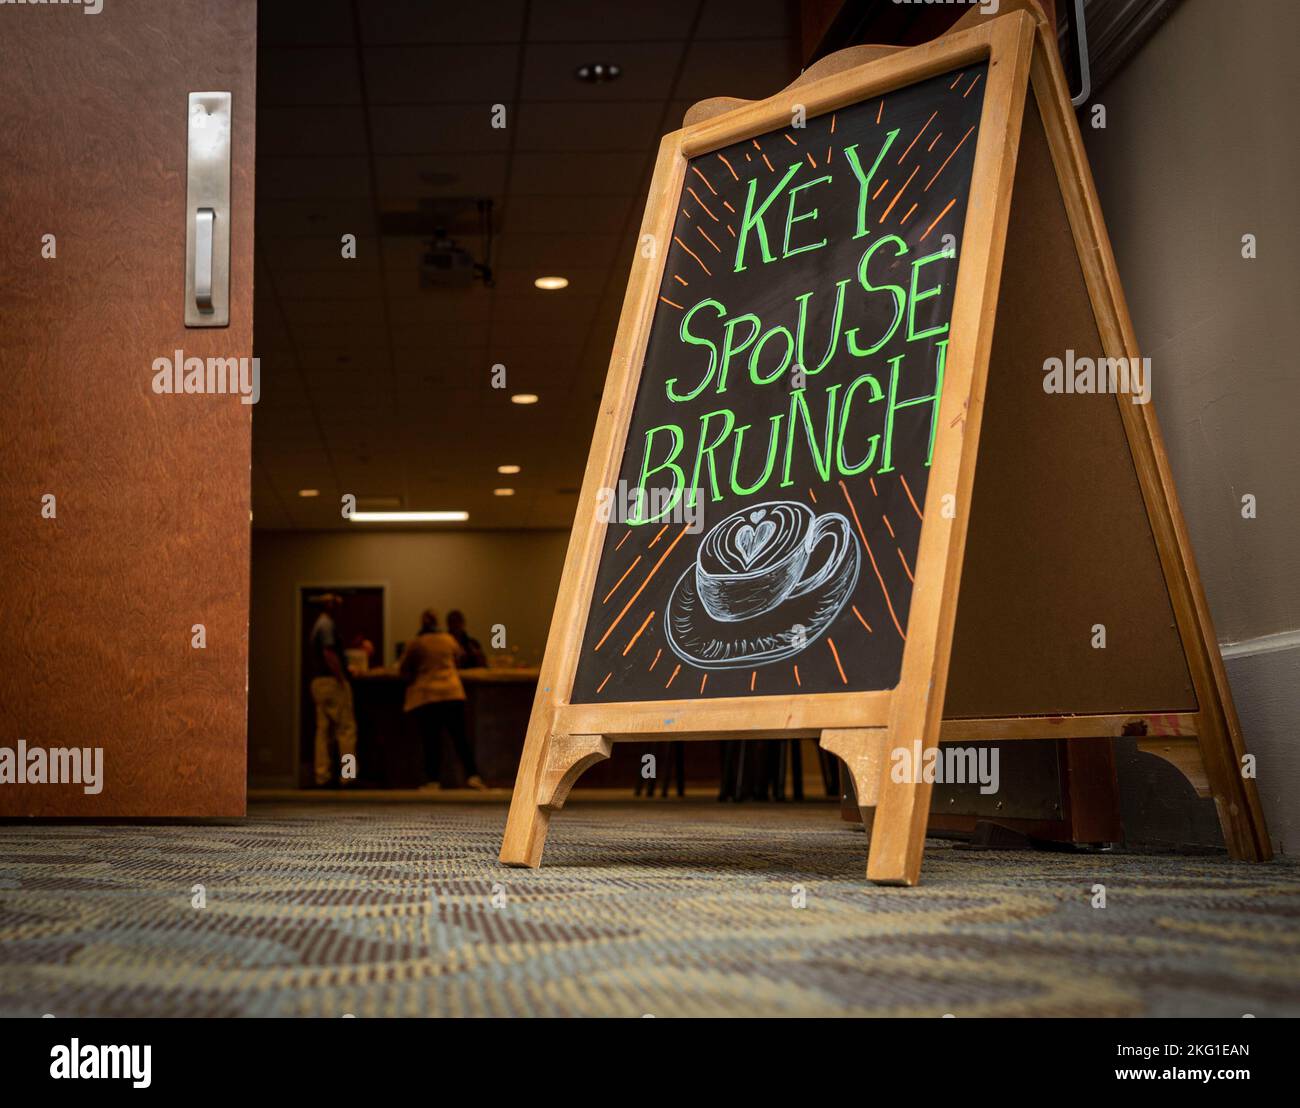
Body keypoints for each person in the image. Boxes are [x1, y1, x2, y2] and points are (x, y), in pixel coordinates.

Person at [399, 609, 486, 790]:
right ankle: (472, 775)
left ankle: (433, 780)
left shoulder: (416, 643)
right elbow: (460, 658)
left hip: (428, 696)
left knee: (431, 739)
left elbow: (404, 667)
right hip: (452, 692)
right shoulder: (448, 640)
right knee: (460, 737)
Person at [309, 593, 357, 788]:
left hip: (318, 682)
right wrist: (341, 677)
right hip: (331, 681)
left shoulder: (317, 625)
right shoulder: (327, 625)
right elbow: (328, 652)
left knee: (323, 731)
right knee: (346, 729)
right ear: (328, 605)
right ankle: (348, 775)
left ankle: (322, 776)